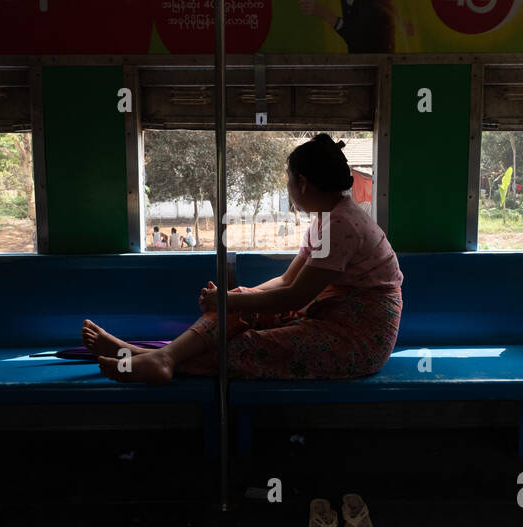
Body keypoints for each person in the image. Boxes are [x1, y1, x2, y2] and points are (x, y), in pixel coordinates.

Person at [82, 133, 404, 384]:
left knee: (248, 346)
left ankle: (155, 358)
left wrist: (229, 303)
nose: (290, 190)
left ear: (302, 183)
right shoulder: (326, 220)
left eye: (290, 182)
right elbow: (287, 281)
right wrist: (234, 298)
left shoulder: (340, 224)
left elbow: (295, 296)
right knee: (239, 299)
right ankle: (161, 358)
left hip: (358, 339)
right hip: (331, 319)